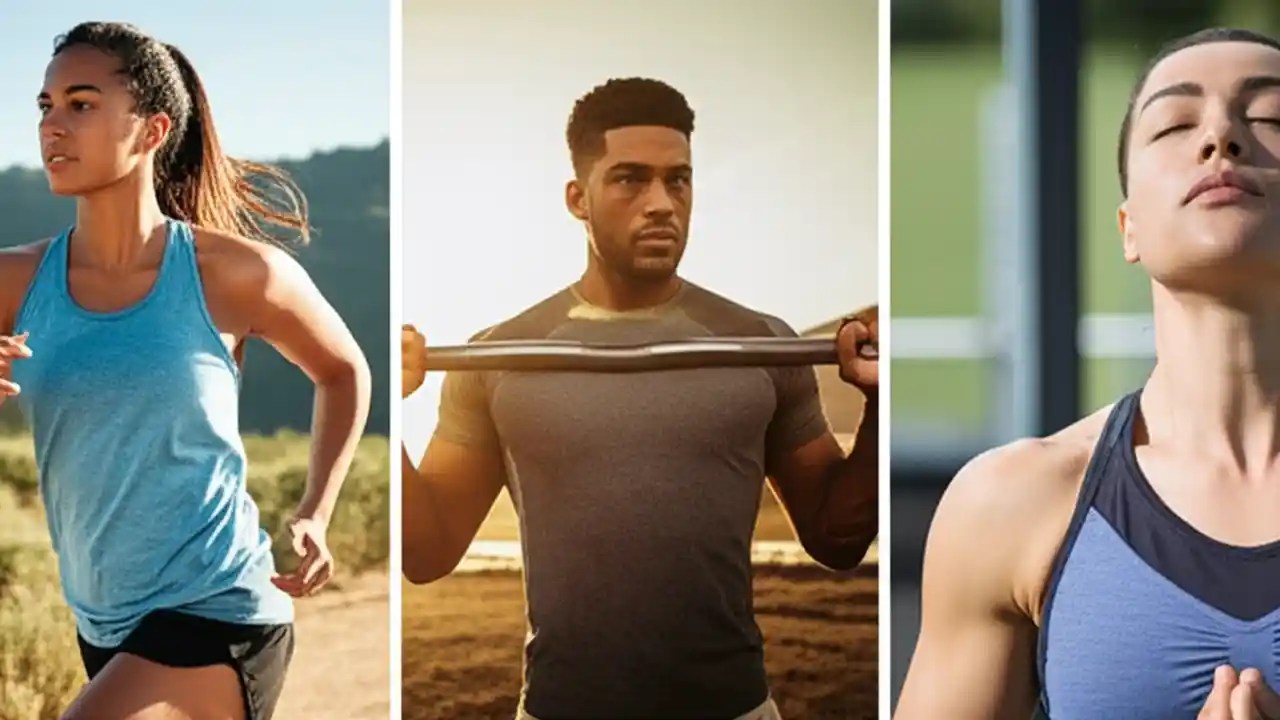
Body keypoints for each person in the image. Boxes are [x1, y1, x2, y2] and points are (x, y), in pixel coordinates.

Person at [401, 77, 879, 720]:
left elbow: (838, 538)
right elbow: (428, 552)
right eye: (630, 179)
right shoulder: (499, 355)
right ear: (579, 198)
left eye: (677, 180)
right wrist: (385, 403)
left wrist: (880, 403)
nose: (661, 203)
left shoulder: (763, 344)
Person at [894, 27, 1280, 720]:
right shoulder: (1008, 507)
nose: (1220, 137)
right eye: (1175, 123)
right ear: (1128, 228)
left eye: (1270, 118)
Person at [0, 22, 371, 720]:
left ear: (151, 129)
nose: (53, 125)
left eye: (81, 104)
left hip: (220, 604)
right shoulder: (16, 280)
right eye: (45, 105)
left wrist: (317, 512)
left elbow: (343, 370)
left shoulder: (234, 274)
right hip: (102, 623)